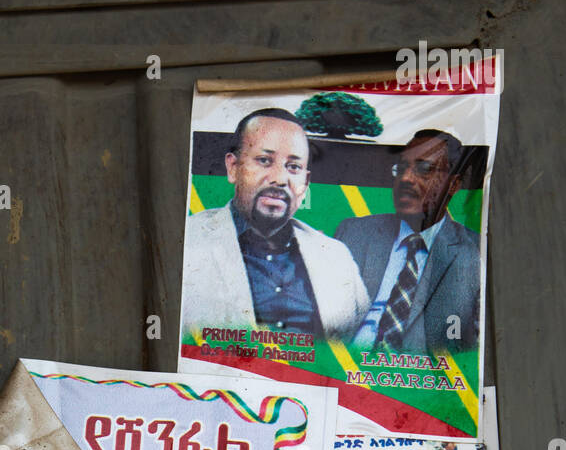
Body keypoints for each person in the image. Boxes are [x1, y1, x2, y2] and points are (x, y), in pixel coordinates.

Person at [181, 107, 369, 342]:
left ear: (306, 182)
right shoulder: (185, 242)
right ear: (233, 168)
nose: (280, 179)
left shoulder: (337, 258)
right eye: (264, 160)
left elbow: (358, 353)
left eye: (294, 167)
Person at [334, 129, 481, 355]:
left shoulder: (473, 252)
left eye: (424, 169)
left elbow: (470, 352)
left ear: (453, 184)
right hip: (342, 371)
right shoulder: (353, 232)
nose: (406, 178)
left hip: (416, 381)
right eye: (401, 169)